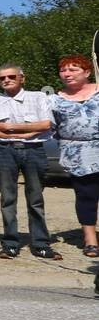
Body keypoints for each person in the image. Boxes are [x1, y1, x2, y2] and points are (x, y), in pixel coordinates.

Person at [0, 62, 56, 259]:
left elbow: (46, 123)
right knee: (8, 197)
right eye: (1, 78)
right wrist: (25, 131)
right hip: (4, 151)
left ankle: (40, 243)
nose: (6, 80)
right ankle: (10, 242)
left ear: (22, 78)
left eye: (11, 77)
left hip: (34, 150)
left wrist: (8, 127)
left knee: (36, 198)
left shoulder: (38, 97)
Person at [50, 52, 99, 256]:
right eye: (63, 70)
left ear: (87, 72)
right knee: (86, 194)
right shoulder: (54, 100)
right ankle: (90, 239)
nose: (67, 74)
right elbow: (49, 127)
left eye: (73, 69)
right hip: (77, 152)